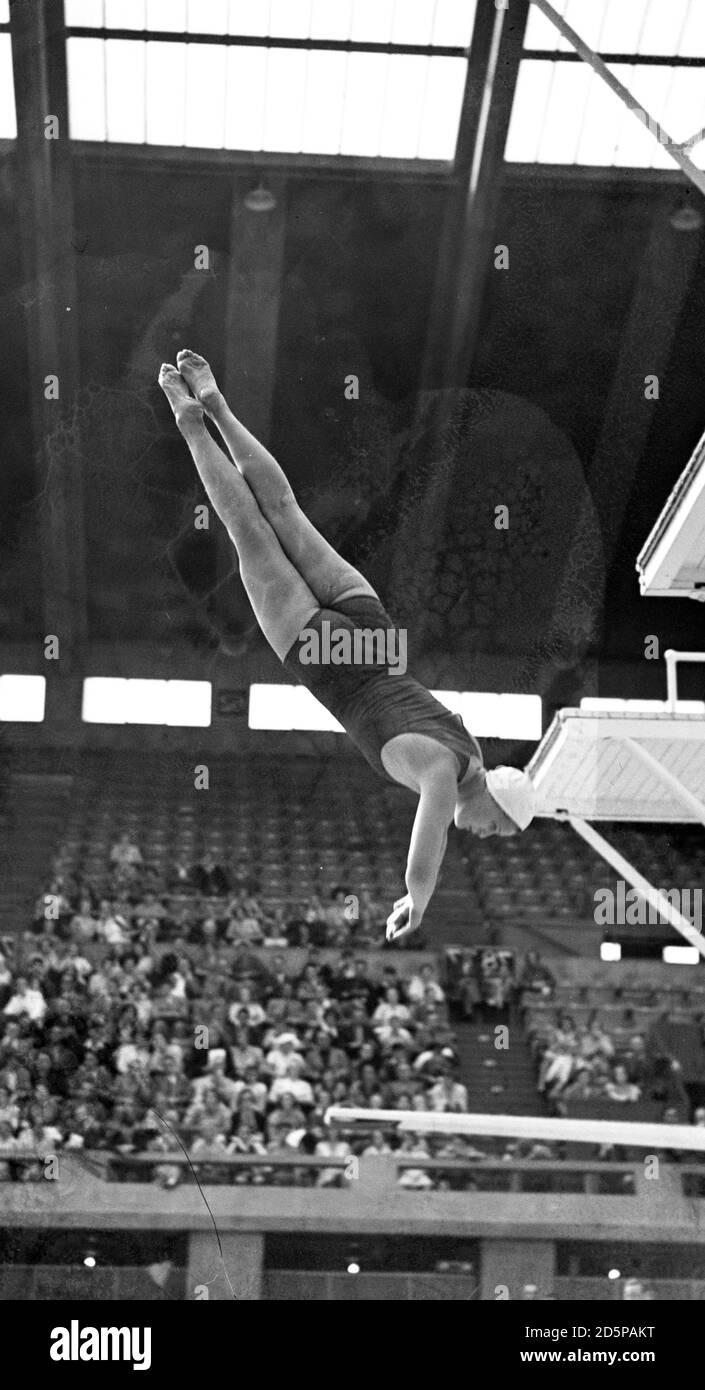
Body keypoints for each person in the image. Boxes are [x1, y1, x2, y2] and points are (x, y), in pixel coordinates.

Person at [159, 351, 537, 942]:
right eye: (499, 827)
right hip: (327, 659)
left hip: (371, 630)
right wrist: (417, 898)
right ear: (496, 798)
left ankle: (218, 407)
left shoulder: (467, 746)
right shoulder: (445, 772)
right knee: (248, 529)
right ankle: (189, 420)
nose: (487, 835)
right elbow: (426, 845)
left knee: (283, 511)